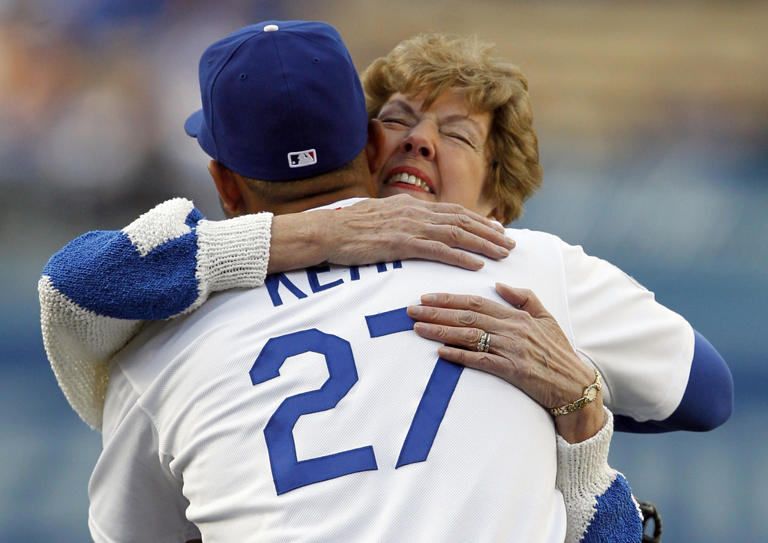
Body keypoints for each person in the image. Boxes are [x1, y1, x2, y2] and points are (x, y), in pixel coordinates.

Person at [69, 21, 643, 542]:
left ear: (223, 183)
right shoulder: (522, 264)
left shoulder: (160, 350)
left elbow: (71, 288)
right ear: (373, 148)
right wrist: (584, 414)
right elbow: (703, 394)